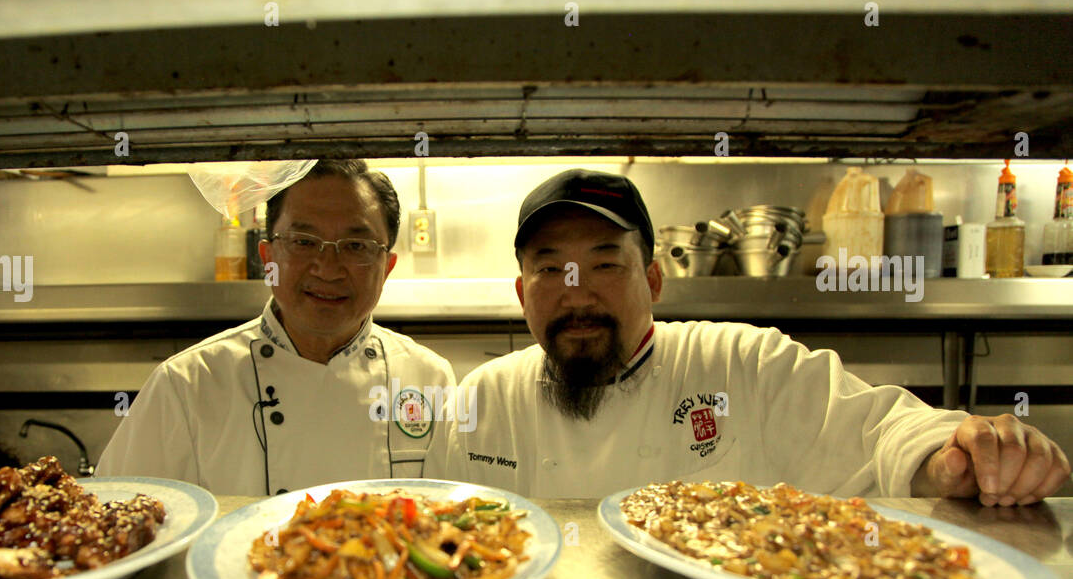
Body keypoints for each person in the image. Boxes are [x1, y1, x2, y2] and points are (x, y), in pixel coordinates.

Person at [427, 169, 1070, 503]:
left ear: (653, 280)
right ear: (521, 294)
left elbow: (881, 431)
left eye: (604, 263)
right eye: (549, 268)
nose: (578, 291)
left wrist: (956, 456)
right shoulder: (485, 400)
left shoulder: (742, 361)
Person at [98, 160, 455, 494]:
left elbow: (455, 526)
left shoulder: (429, 379)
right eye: (303, 242)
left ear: (387, 267)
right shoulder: (186, 386)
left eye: (356, 246)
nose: (327, 268)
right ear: (268, 257)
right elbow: (122, 523)